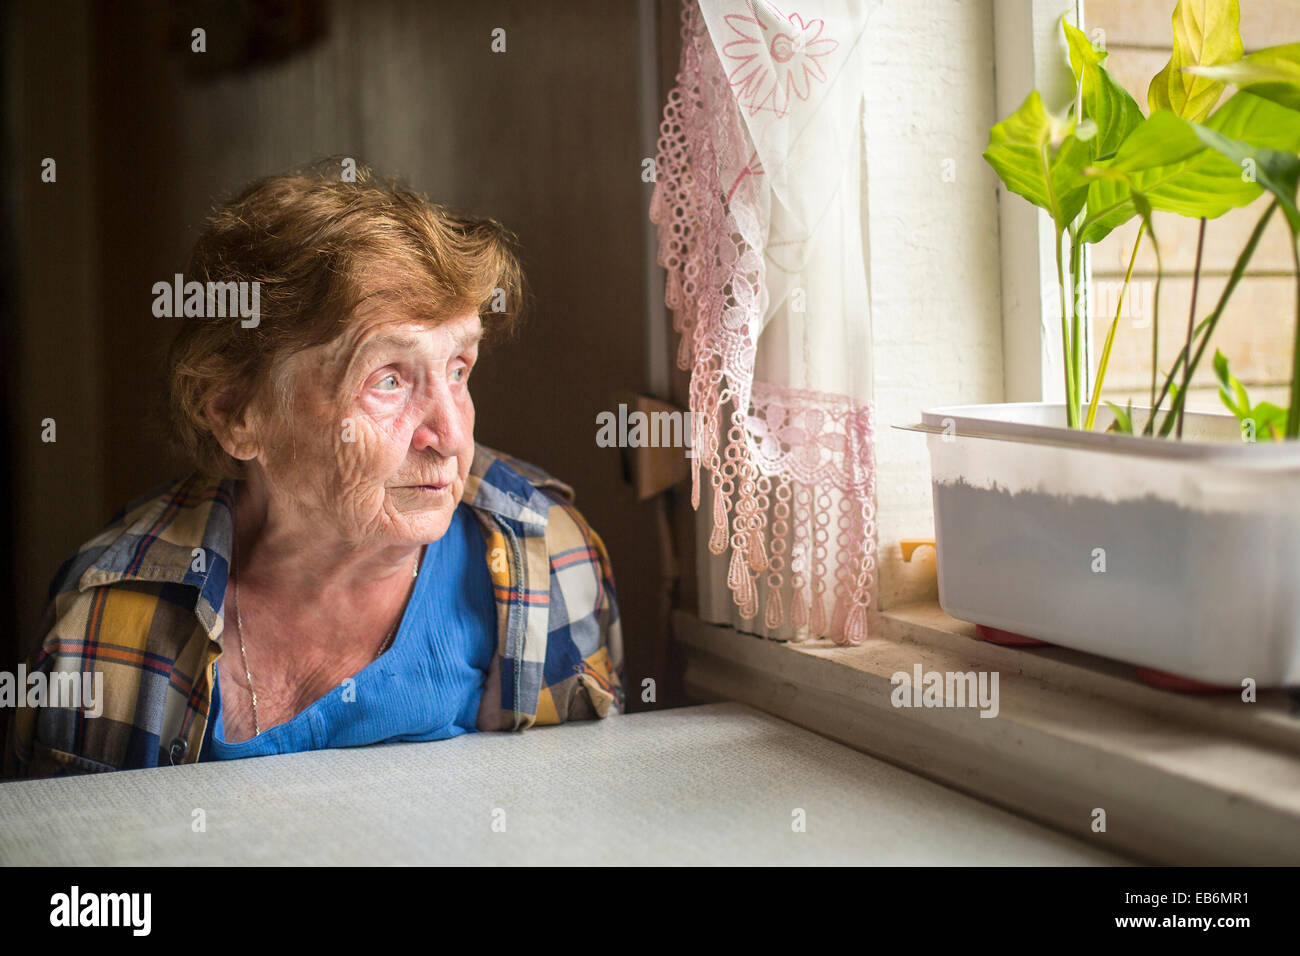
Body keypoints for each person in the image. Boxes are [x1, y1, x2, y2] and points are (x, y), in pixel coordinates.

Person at [5, 166, 624, 778]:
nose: (453, 438)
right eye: (388, 379)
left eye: (460, 369)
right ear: (238, 414)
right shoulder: (109, 623)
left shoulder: (546, 558)